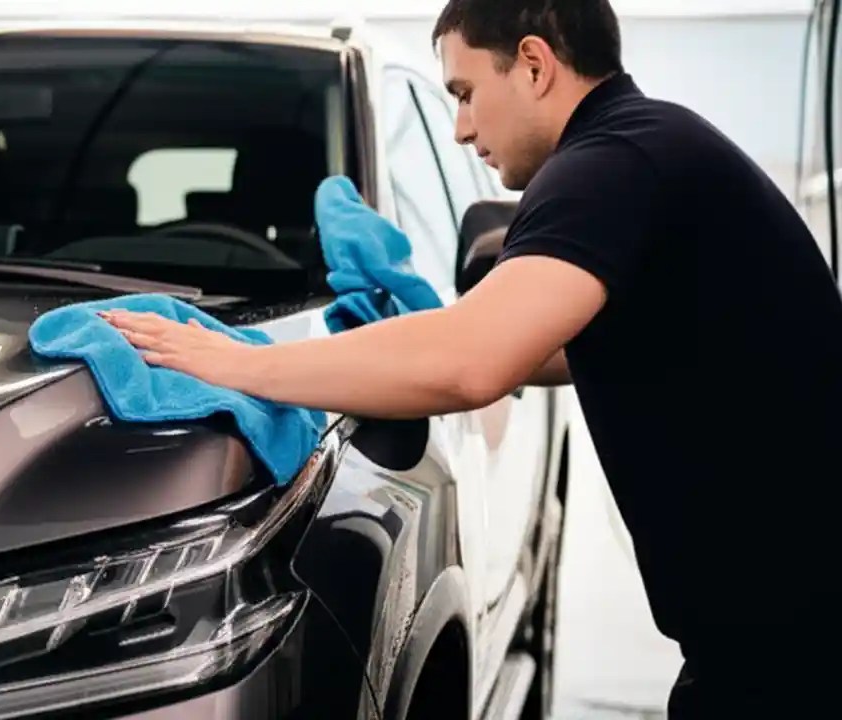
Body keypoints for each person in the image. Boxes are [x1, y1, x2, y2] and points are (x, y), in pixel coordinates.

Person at [102, 0, 842, 715]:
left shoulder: (608, 164)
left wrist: (226, 359)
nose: (458, 129)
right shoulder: (648, 146)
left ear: (532, 64)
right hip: (786, 619)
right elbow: (548, 349)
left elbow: (470, 365)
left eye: (463, 93)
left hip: (793, 642)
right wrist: (432, 332)